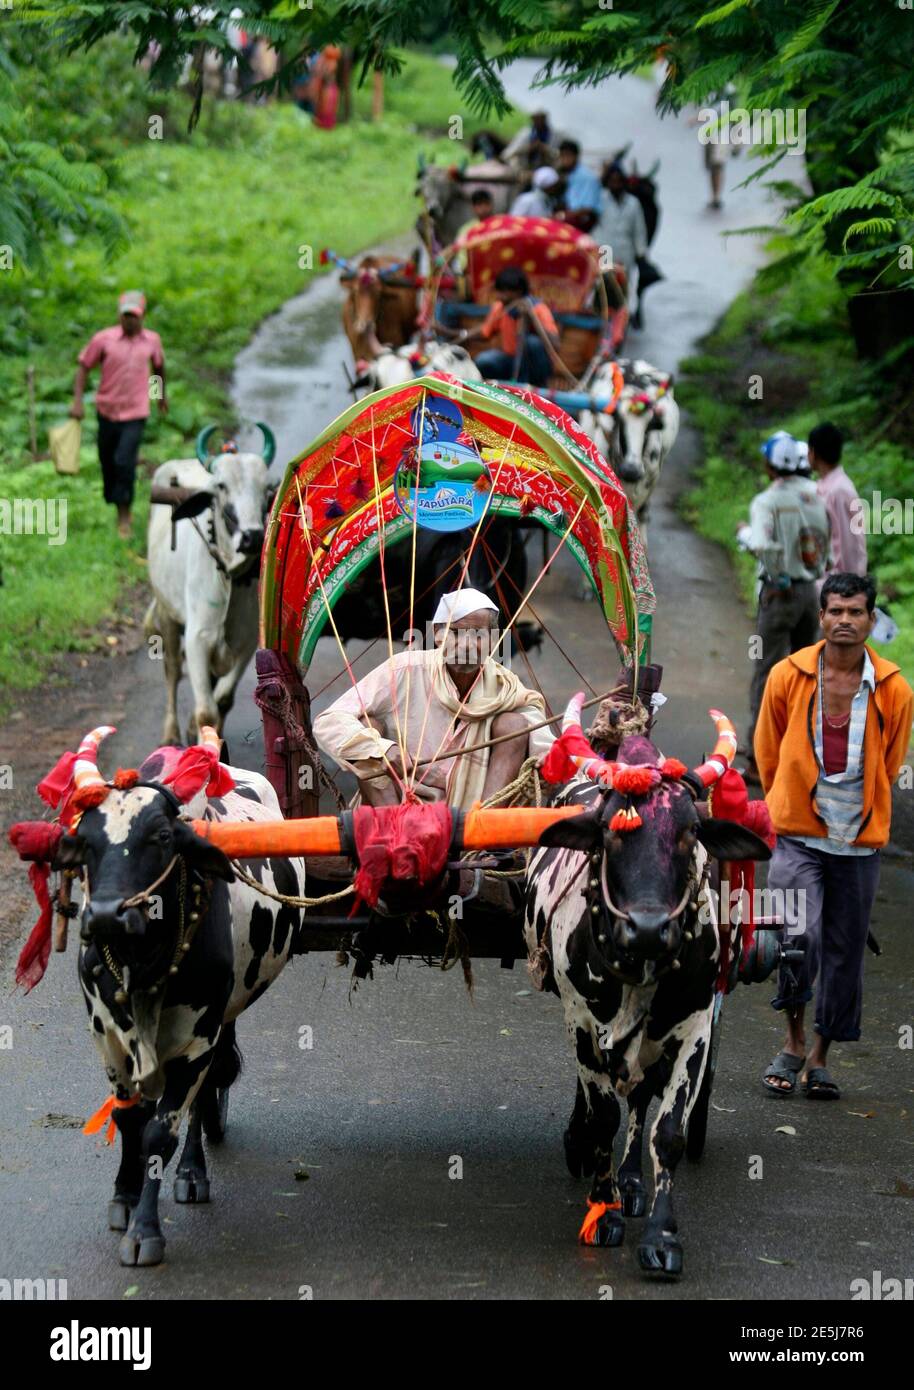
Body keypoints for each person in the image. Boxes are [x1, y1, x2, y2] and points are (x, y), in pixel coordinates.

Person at [755, 573, 913, 1100]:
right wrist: (789, 804)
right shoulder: (788, 675)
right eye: (836, 611)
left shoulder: (894, 688)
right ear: (820, 617)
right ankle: (793, 1039)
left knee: (845, 950)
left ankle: (822, 1056)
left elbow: (889, 766)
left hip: (860, 843)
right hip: (798, 835)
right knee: (799, 938)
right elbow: (768, 750)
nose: (845, 620)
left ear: (872, 620)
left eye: (856, 612)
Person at [313, 589, 553, 810]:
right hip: (402, 800)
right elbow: (328, 722)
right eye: (456, 633)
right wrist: (384, 750)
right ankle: (392, 828)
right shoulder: (405, 669)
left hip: (470, 810)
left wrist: (564, 760)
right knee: (368, 728)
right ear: (438, 635)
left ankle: (483, 836)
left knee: (515, 725)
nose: (467, 645)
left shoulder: (504, 685)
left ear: (494, 641)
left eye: (479, 635)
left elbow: (542, 741)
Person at [736, 432, 830, 783]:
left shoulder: (767, 500)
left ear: (769, 465)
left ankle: (760, 762)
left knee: (768, 676)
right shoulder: (816, 497)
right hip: (811, 595)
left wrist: (743, 533)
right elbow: (828, 549)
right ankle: (797, 755)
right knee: (805, 676)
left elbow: (760, 544)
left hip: (778, 594)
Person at [71, 291, 167, 539]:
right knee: (108, 461)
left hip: (136, 412)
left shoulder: (151, 341)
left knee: (125, 461)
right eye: (126, 316)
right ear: (120, 315)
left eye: (134, 316)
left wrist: (159, 396)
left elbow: (158, 368)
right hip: (107, 410)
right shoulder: (104, 340)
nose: (130, 321)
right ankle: (115, 500)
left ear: (142, 316)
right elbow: (83, 368)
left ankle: (124, 515)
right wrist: (78, 402)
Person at [461, 267, 559, 387]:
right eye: (499, 291)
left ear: (518, 291)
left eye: (504, 292)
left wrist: (531, 318)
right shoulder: (501, 307)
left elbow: (555, 343)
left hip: (535, 367)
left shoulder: (538, 309)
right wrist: (457, 334)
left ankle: (530, 386)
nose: (500, 296)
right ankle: (505, 385)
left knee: (532, 343)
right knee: (484, 361)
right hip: (511, 360)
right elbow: (484, 333)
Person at [807, 422, 868, 579]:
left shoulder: (839, 490)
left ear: (813, 453)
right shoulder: (825, 486)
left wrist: (847, 587)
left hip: (841, 586)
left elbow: (848, 544)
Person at [595, 163, 648, 298]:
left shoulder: (633, 203)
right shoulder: (599, 199)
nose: (616, 185)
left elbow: (639, 230)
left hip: (625, 252)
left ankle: (622, 313)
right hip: (604, 249)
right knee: (602, 285)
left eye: (619, 181)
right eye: (612, 181)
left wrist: (641, 253)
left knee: (623, 286)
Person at [555, 140, 603, 233]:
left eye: (568, 155)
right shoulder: (565, 175)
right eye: (562, 155)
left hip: (585, 223)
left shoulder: (587, 176)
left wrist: (563, 215)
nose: (564, 159)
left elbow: (589, 208)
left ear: (576, 156)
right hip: (570, 219)